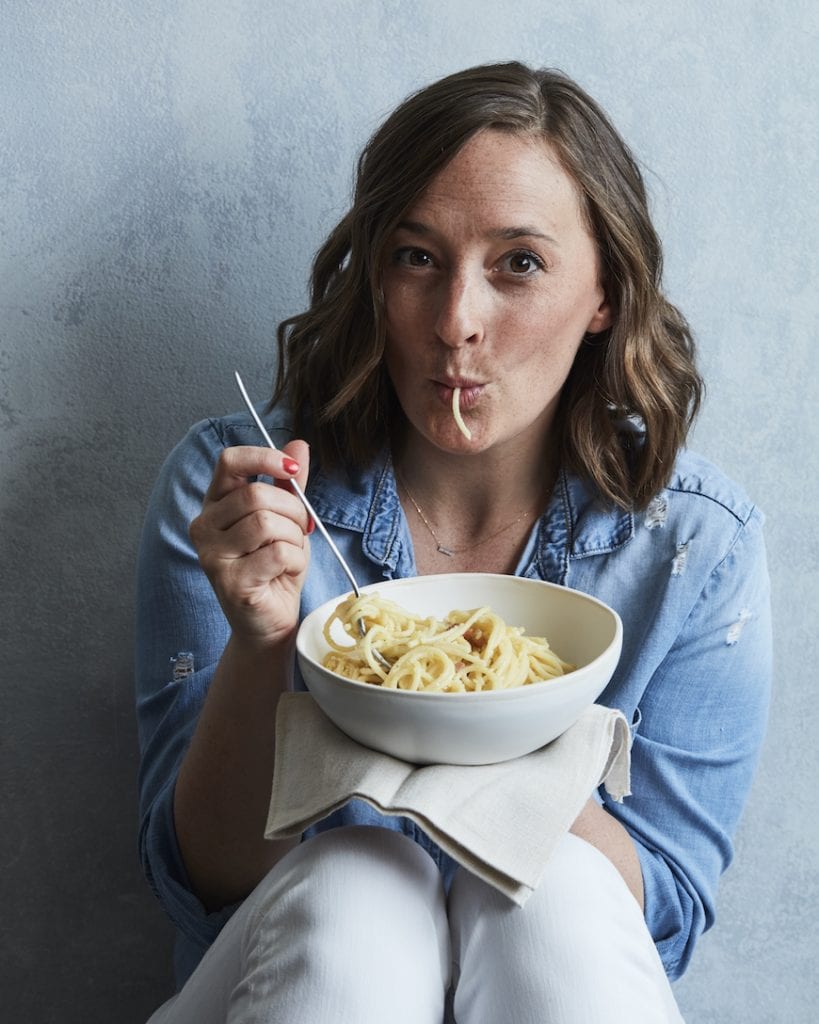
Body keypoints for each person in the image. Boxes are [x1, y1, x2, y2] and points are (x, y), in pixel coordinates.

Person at [136, 62, 771, 1023]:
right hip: (279, 978)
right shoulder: (244, 487)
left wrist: (484, 742)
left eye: (519, 262)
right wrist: (264, 641)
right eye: (417, 258)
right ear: (374, 276)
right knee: (356, 880)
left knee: (549, 884)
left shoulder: (694, 543)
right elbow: (205, 883)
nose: (455, 325)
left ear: (604, 291)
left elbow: (662, 918)